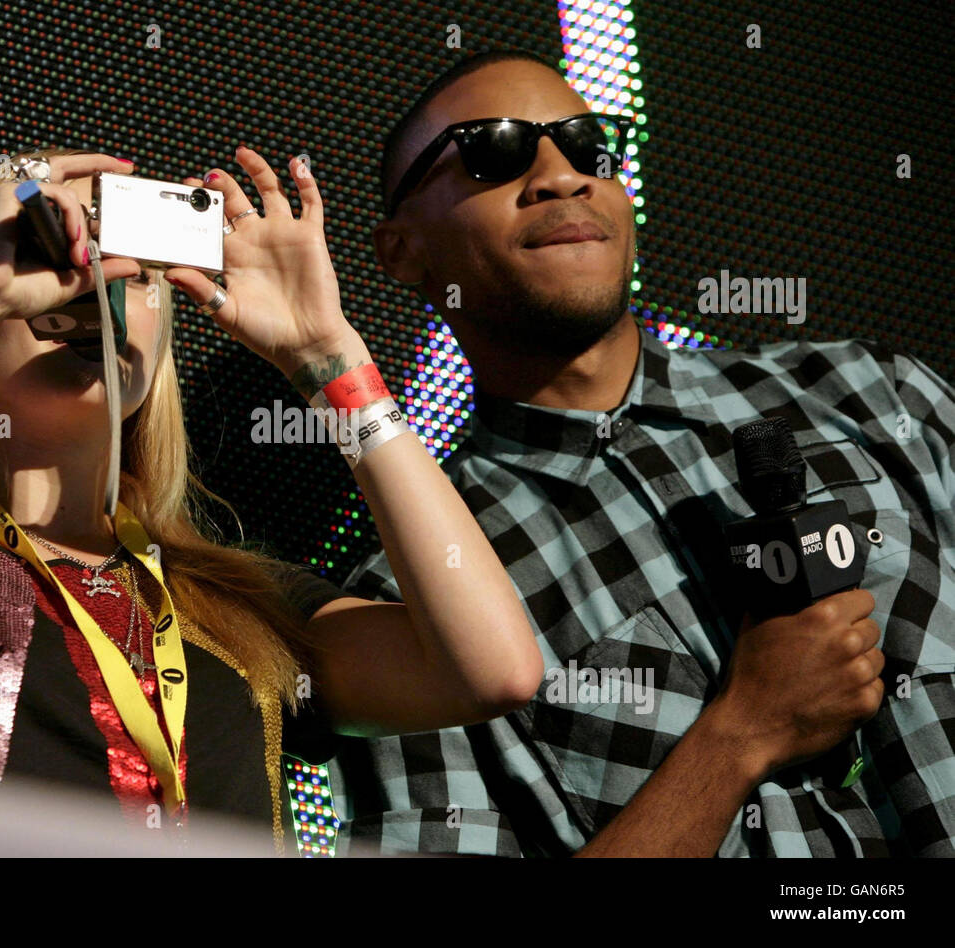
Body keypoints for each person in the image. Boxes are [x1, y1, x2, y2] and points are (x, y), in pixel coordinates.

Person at [0, 145, 545, 856]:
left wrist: (331, 360)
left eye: (132, 269)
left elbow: (492, 670)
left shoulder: (239, 604)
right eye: (49, 254)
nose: (90, 285)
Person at [327, 50, 955, 857]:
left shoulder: (873, 393)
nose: (562, 178)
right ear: (403, 252)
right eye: (497, 149)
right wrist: (739, 736)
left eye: (589, 147)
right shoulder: (416, 613)